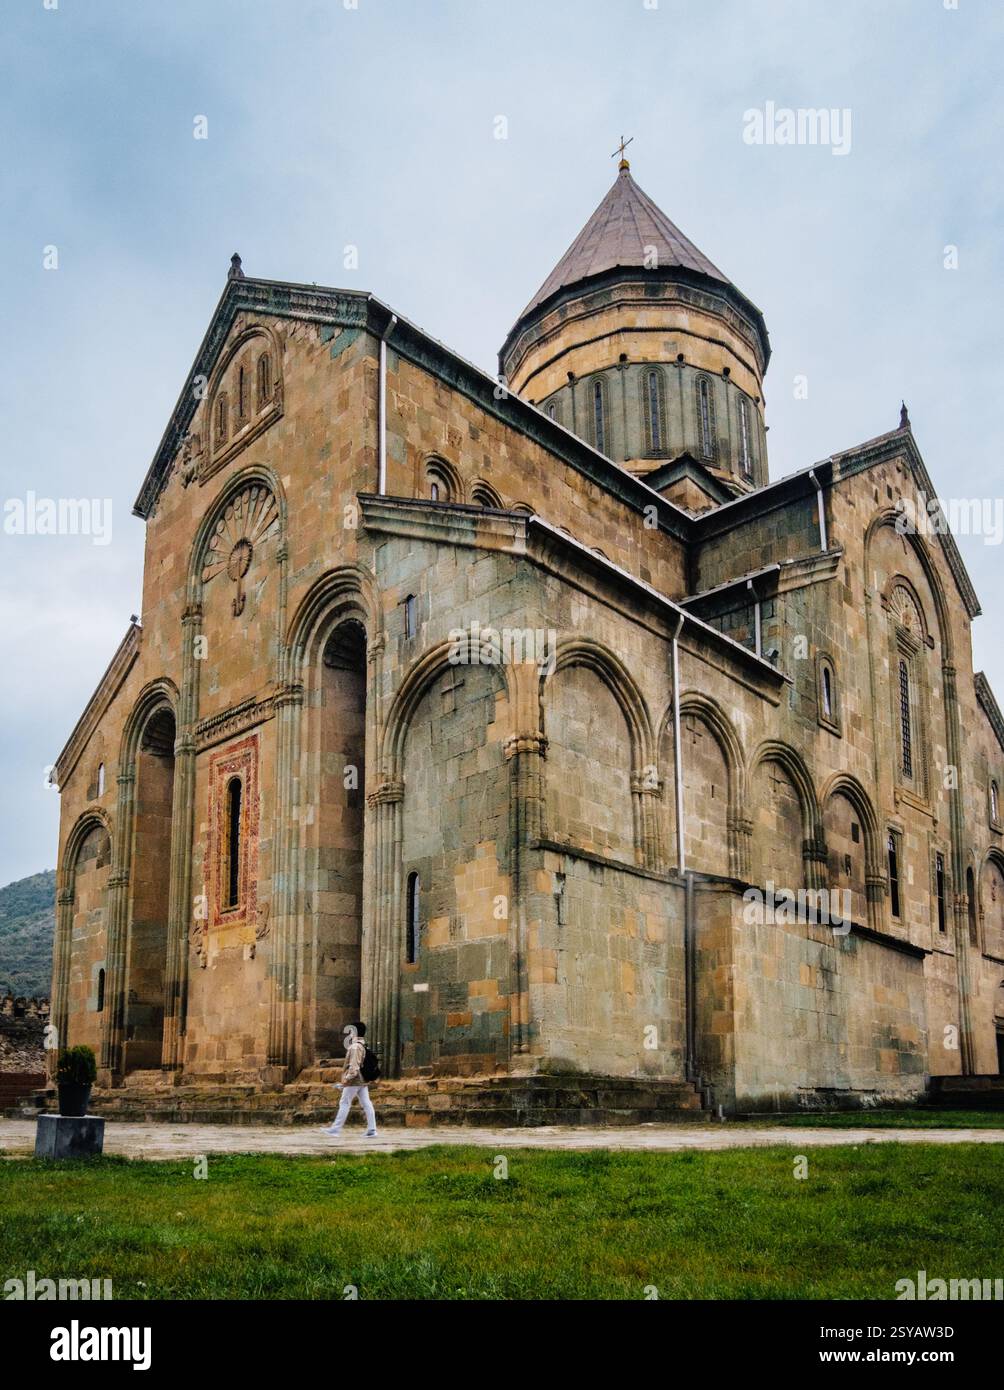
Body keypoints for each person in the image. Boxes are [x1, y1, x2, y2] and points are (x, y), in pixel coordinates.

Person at [322, 1022, 377, 1137]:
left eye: (351, 1031)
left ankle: (335, 1130)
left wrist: (346, 1080)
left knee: (344, 1103)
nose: (350, 1033)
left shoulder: (355, 1047)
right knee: (366, 1103)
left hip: (355, 1080)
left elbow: (354, 1067)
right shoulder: (362, 1045)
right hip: (361, 1080)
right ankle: (372, 1130)